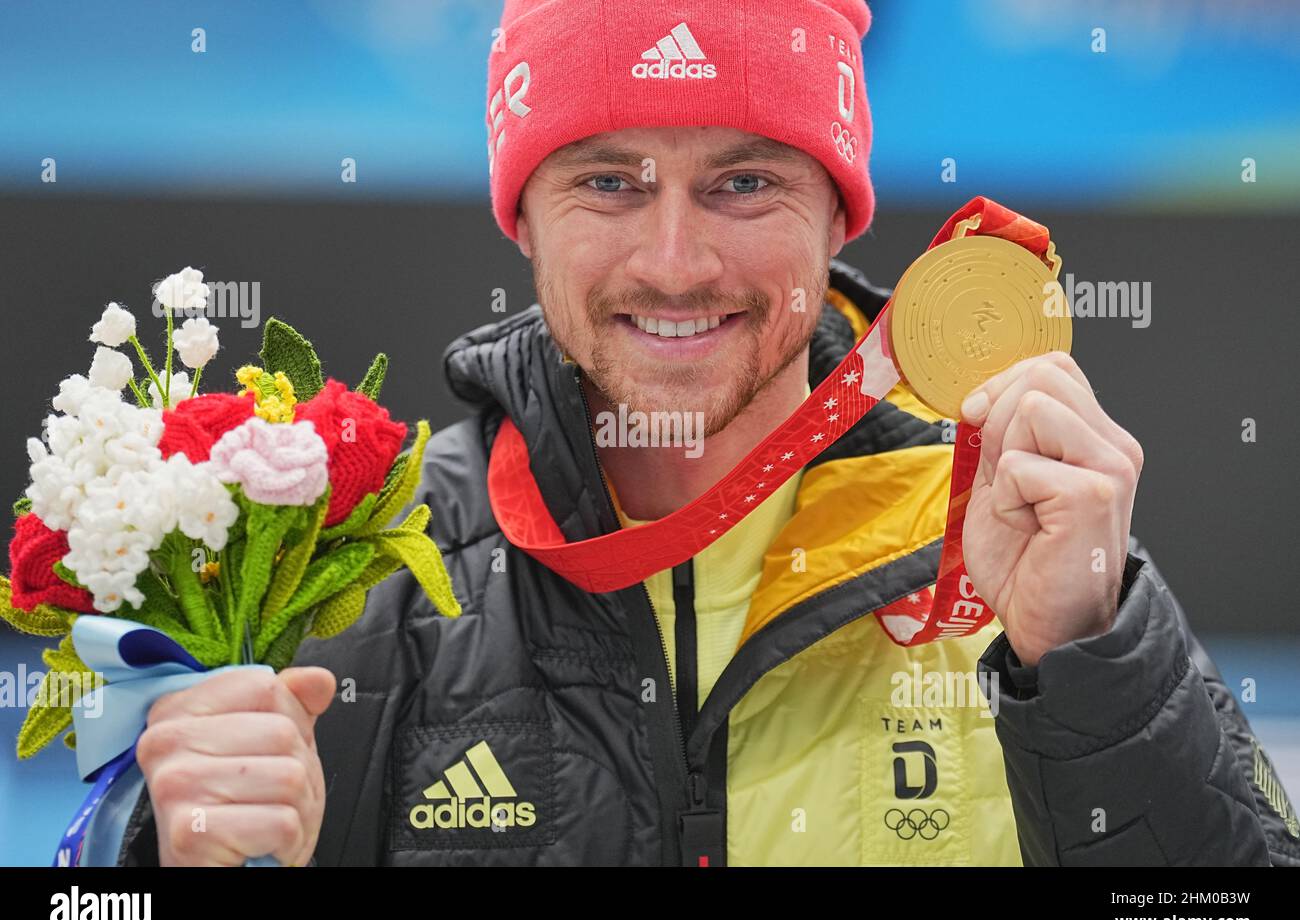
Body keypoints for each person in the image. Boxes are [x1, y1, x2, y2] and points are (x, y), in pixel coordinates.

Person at [119, 0, 1298, 866]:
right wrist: (160, 874)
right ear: (520, 216)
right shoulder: (376, 571)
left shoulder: (1005, 541)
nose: (675, 263)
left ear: (835, 210)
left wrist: (1095, 665)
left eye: (743, 185)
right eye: (608, 183)